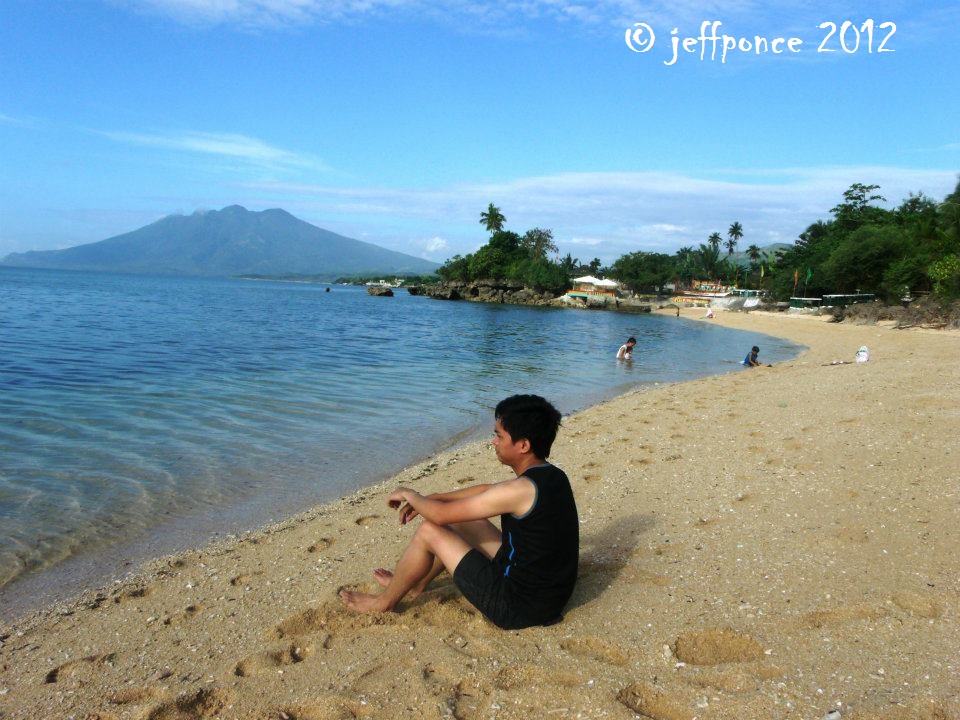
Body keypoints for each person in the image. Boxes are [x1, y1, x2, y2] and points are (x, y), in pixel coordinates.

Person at [339, 394, 579, 630]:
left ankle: (383, 603)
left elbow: (440, 516)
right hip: (549, 595)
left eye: (499, 436)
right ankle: (417, 584)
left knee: (430, 530)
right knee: (466, 522)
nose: (493, 442)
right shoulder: (552, 475)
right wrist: (434, 497)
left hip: (517, 607)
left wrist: (409, 494)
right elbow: (487, 490)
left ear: (523, 445)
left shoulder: (519, 490)